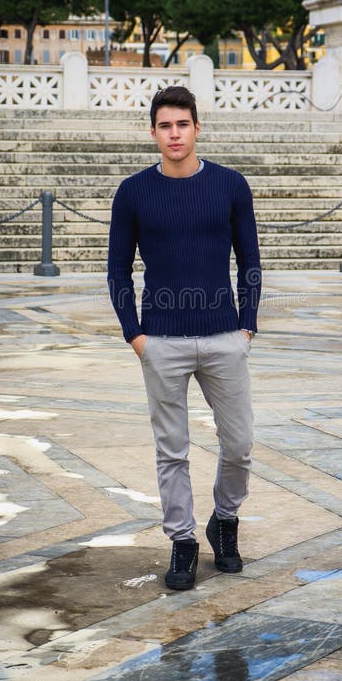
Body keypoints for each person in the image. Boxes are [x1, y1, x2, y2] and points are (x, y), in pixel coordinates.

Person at [108, 86, 261, 591]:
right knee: (171, 450)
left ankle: (225, 520)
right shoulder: (133, 192)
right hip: (162, 342)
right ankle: (183, 541)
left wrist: (247, 325)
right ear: (153, 132)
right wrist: (135, 335)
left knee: (239, 444)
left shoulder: (231, 185)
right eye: (165, 126)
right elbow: (117, 270)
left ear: (197, 127)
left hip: (225, 337)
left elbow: (250, 260)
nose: (174, 134)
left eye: (182, 124)